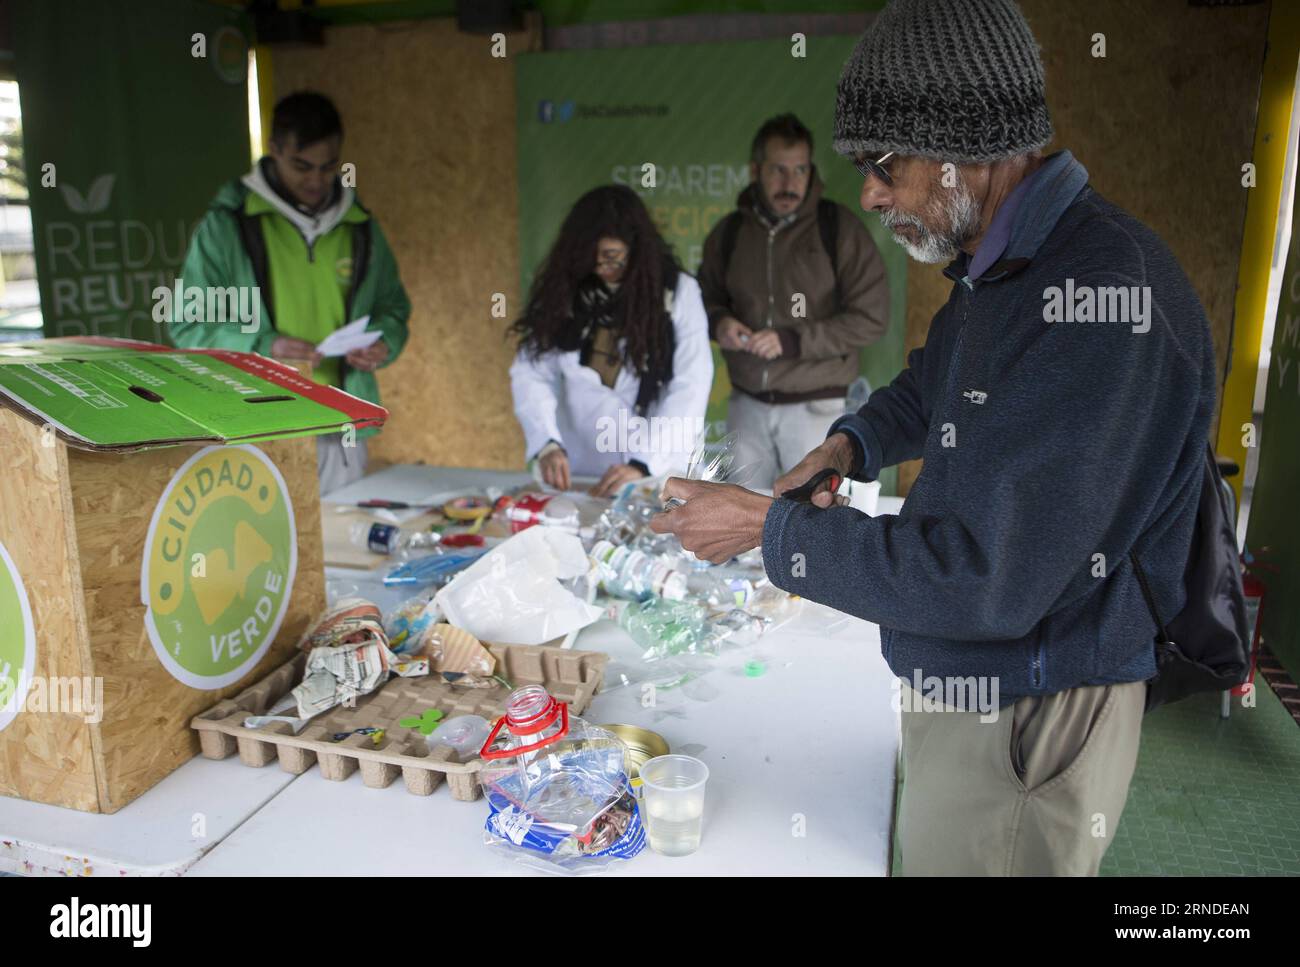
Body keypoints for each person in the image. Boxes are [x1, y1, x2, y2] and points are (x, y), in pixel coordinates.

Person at [651, 0, 1216, 876]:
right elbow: (935, 379)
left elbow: (986, 578)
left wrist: (769, 530)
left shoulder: (1104, 301)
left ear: (971, 150)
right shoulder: (1008, 262)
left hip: (1031, 705)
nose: (870, 192)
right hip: (979, 674)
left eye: (885, 164)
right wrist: (849, 446)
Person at [172, 91, 410, 493]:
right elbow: (189, 324)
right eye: (302, 166)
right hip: (260, 426)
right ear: (274, 150)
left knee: (341, 546)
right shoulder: (227, 225)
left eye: (328, 166)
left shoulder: (360, 224)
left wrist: (384, 341)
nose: (316, 180)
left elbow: (393, 306)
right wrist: (265, 344)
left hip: (341, 422)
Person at [698, 113, 889, 491]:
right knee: (737, 526)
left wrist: (794, 340)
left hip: (816, 410)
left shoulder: (838, 228)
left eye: (800, 170)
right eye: (778, 170)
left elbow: (871, 318)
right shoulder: (730, 232)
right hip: (746, 406)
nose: (790, 183)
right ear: (756, 170)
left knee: (810, 521)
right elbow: (704, 300)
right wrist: (719, 321)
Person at [509, 185, 713, 497]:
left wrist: (644, 463)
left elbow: (691, 384)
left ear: (636, 249)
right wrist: (547, 442)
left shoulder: (678, 292)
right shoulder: (564, 293)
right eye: (593, 258)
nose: (603, 268)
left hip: (660, 475)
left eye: (613, 258)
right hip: (585, 474)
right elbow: (532, 371)